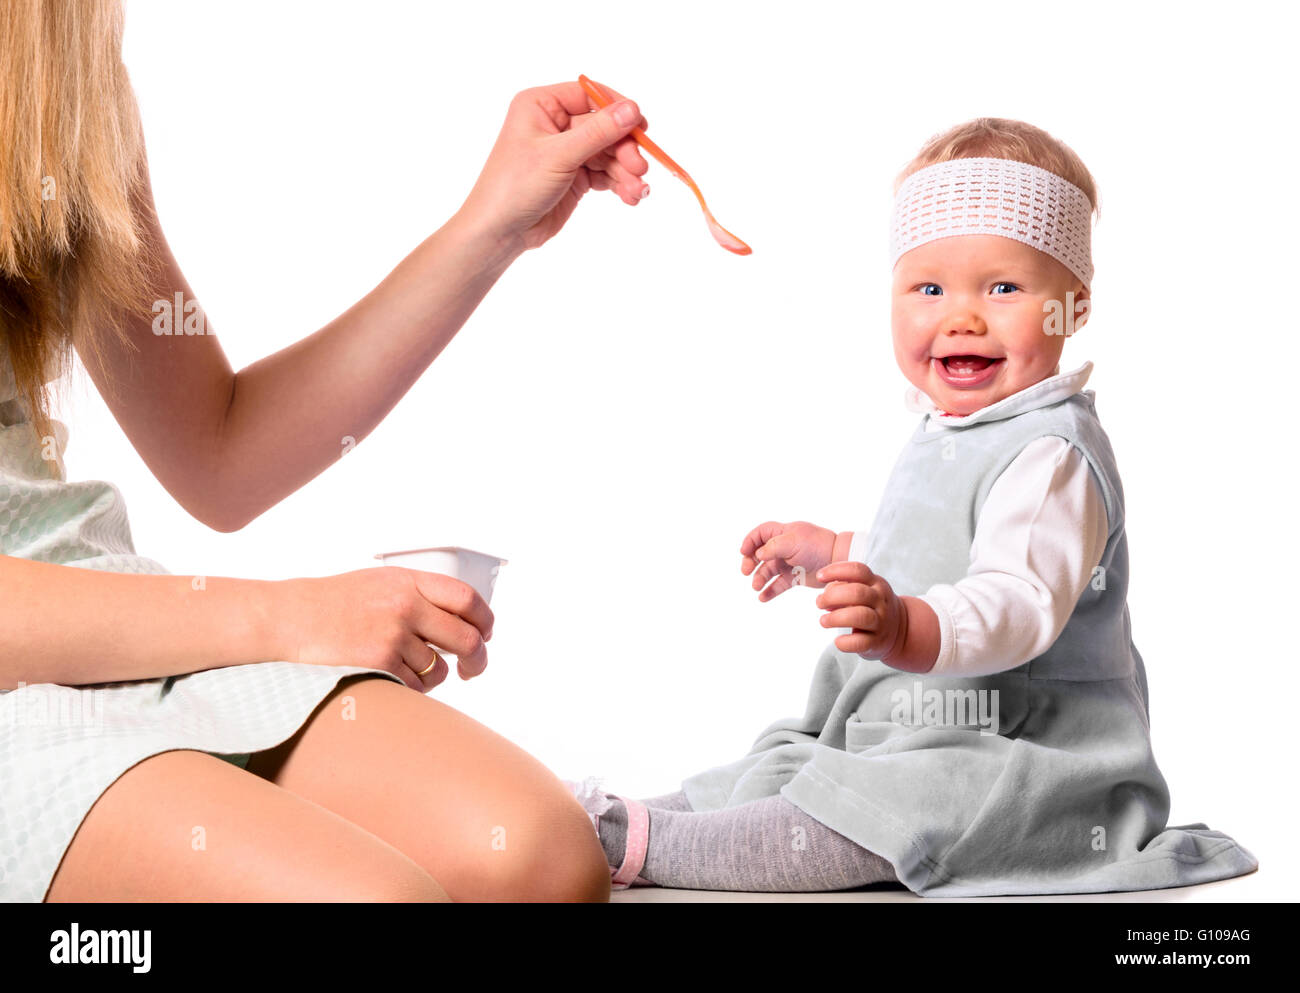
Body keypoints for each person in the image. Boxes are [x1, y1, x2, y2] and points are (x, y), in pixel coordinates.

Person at [0, 0, 653, 903]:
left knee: (541, 858)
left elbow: (217, 449)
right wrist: (288, 618)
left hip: (100, 627)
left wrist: (491, 224)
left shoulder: (54, 71)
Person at [573, 119, 1261, 896]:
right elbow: (940, 547)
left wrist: (901, 624)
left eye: (1003, 287)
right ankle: (616, 816)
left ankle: (631, 843)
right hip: (914, 726)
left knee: (880, 808)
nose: (962, 316)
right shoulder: (953, 427)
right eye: (929, 287)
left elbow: (1016, 599)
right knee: (786, 762)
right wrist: (834, 549)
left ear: (1073, 307)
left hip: (1023, 754)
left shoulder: (1052, 452)